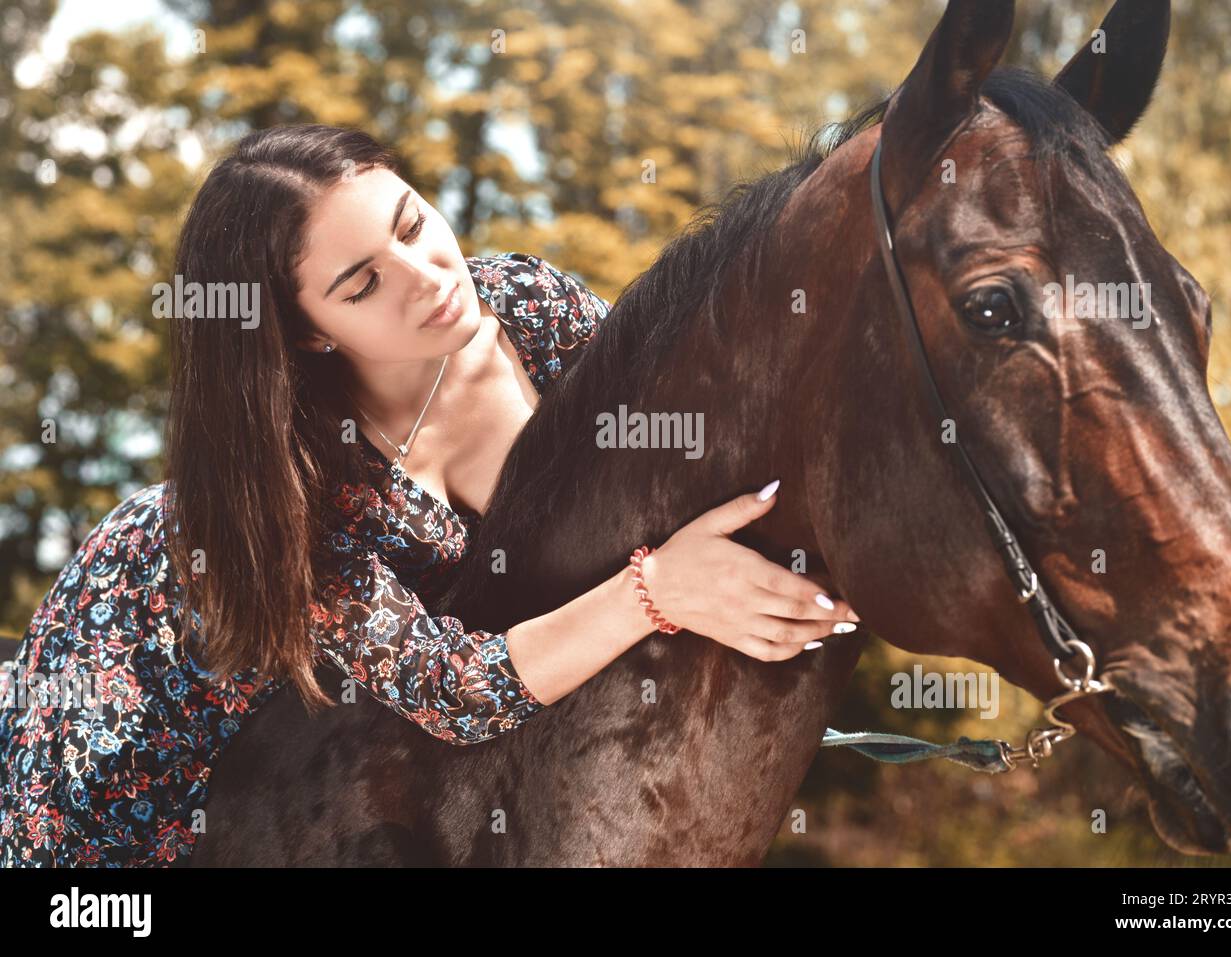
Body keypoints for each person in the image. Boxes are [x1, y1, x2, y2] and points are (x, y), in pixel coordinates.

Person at [0, 124, 859, 867]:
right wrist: (659, 590)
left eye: (413, 222)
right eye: (363, 284)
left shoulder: (530, 308)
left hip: (331, 728)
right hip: (139, 692)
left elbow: (661, 470)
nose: (427, 276)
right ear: (306, 330)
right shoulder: (300, 485)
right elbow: (455, 688)